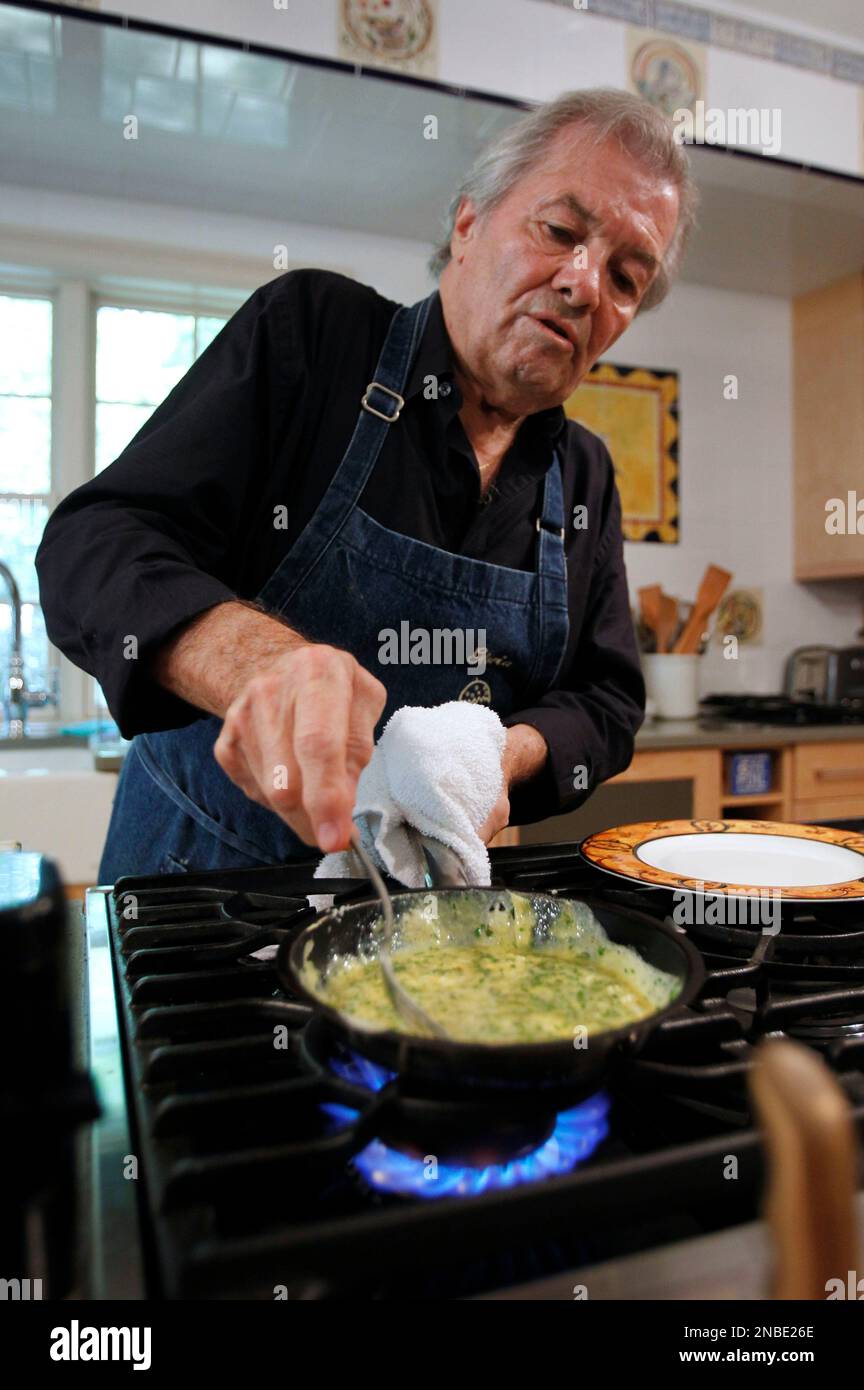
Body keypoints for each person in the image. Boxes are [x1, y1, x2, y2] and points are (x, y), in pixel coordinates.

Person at [35, 87, 698, 880]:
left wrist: (499, 752)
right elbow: (93, 543)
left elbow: (608, 701)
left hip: (426, 905)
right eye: (560, 230)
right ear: (468, 222)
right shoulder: (315, 336)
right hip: (197, 881)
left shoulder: (582, 471)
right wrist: (255, 661)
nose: (587, 285)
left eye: (627, 279)